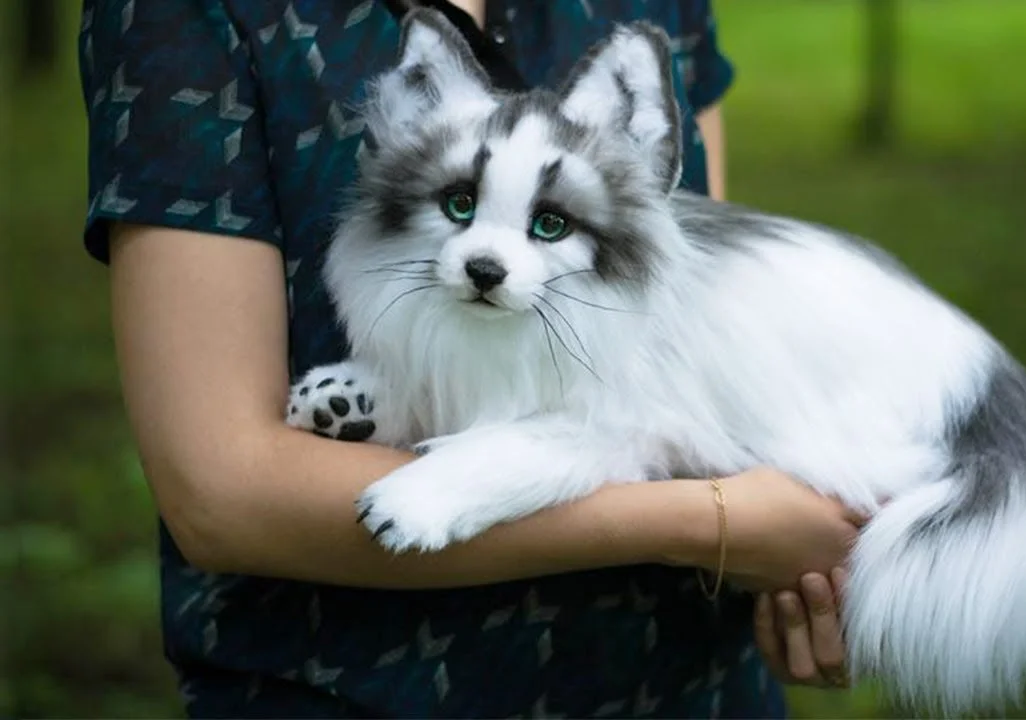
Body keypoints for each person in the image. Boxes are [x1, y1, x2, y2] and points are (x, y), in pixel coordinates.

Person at [79, 0, 863, 716]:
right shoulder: (190, 14)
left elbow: (688, 330)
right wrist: (715, 523)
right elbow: (223, 494)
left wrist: (808, 572)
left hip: (698, 689)